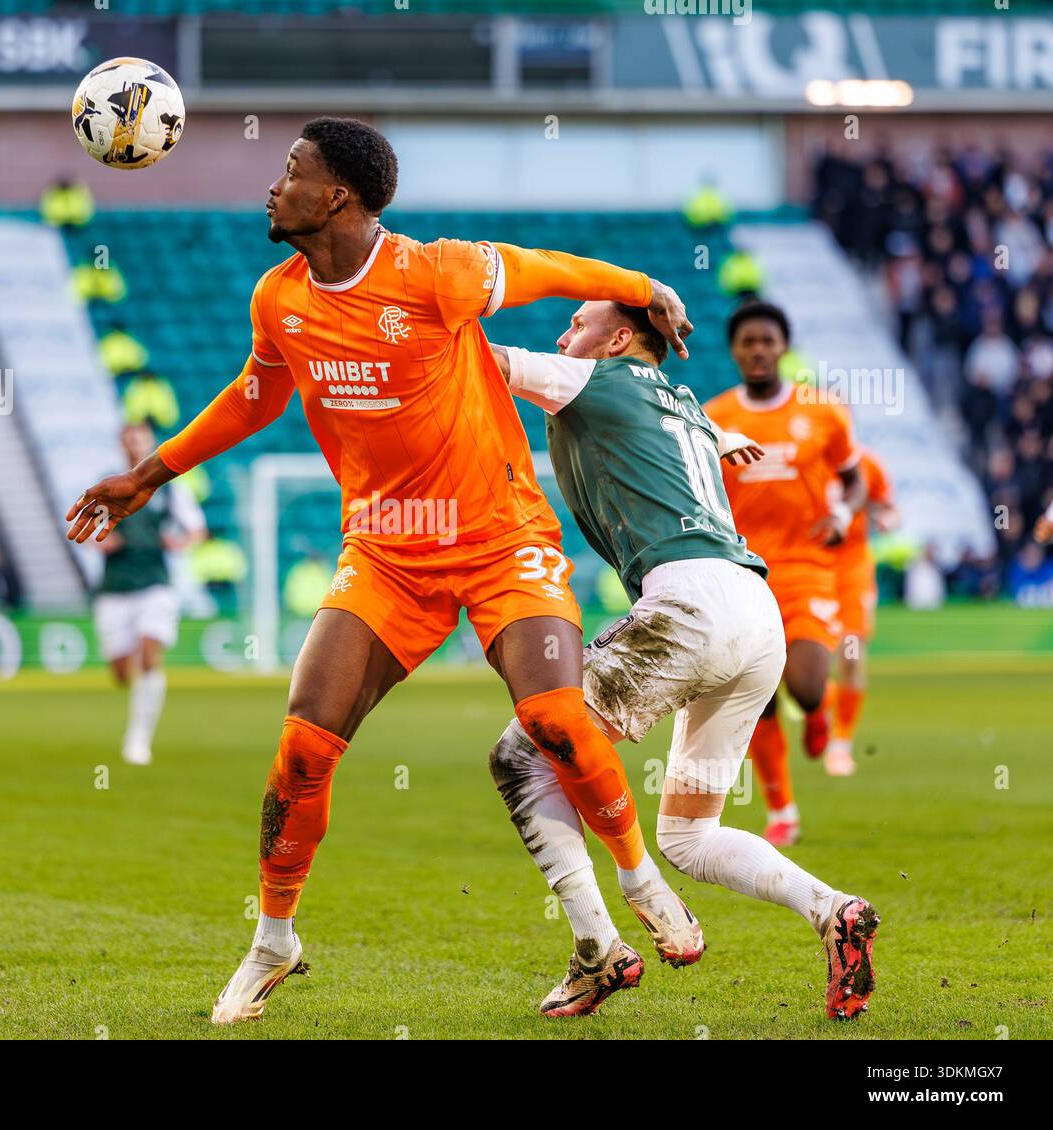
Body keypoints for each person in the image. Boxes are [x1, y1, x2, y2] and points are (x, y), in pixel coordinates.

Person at [64, 116, 696, 1024]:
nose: (274, 186)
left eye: (291, 171)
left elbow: (550, 267)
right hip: (386, 552)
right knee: (302, 749)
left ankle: (640, 882)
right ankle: (274, 941)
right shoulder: (279, 298)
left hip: (498, 535)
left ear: (337, 197)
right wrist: (148, 474)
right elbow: (255, 397)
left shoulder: (437, 272)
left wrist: (646, 288)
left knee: (554, 715)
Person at [485, 300, 878, 1021]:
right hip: (756, 612)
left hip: (689, 604)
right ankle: (833, 910)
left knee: (521, 756)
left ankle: (597, 947)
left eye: (577, 323)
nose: (564, 336)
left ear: (618, 339)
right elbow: (687, 427)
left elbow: (483, 358)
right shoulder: (689, 404)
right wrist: (725, 437)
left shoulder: (591, 376)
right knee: (689, 836)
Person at [704, 302, 865, 848]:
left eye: (767, 341)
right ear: (734, 350)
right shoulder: (714, 417)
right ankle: (782, 811)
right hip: (744, 573)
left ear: (783, 347)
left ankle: (819, 711)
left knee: (805, 685)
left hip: (807, 568)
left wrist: (842, 514)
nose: (758, 350)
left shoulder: (822, 412)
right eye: (747, 342)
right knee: (758, 696)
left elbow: (854, 479)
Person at [91, 423, 190, 765]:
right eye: (129, 439)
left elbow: (196, 529)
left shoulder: (170, 488)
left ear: (151, 443)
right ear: (122, 445)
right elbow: (86, 528)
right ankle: (134, 681)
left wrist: (178, 542)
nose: (135, 445)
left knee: (149, 656)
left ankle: (138, 739)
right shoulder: (109, 484)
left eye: (141, 439)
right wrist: (101, 541)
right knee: (121, 672)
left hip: (154, 583)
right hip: (115, 586)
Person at [825, 449, 898, 776]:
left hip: (853, 570)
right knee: (800, 663)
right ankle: (820, 705)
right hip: (810, 566)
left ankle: (841, 744)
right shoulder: (803, 457)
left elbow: (890, 509)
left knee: (851, 655)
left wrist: (887, 521)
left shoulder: (867, 465)